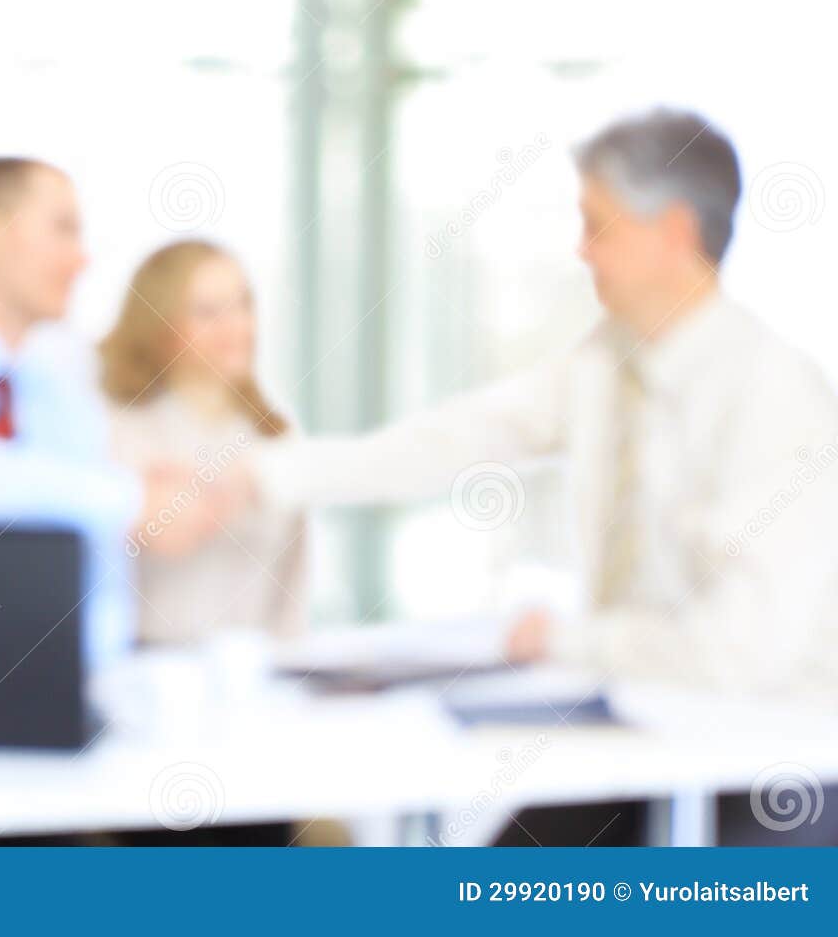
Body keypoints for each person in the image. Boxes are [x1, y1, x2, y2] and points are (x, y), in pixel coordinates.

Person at [252, 107, 838, 843]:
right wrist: (267, 477)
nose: (582, 251)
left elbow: (740, 655)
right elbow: (464, 434)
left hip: (771, 766)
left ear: (675, 234)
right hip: (642, 732)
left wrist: (565, 641)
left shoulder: (774, 395)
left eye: (600, 226)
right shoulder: (609, 359)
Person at [0, 157, 219, 673]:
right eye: (62, 230)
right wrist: (126, 498)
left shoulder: (60, 389)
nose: (81, 260)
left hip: (51, 704)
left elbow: (99, 587)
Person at [100, 240, 307, 646]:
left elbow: (294, 583)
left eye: (243, 304)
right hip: (147, 670)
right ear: (160, 325)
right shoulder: (117, 425)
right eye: (208, 312)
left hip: (255, 674)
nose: (236, 327)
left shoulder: (276, 433)